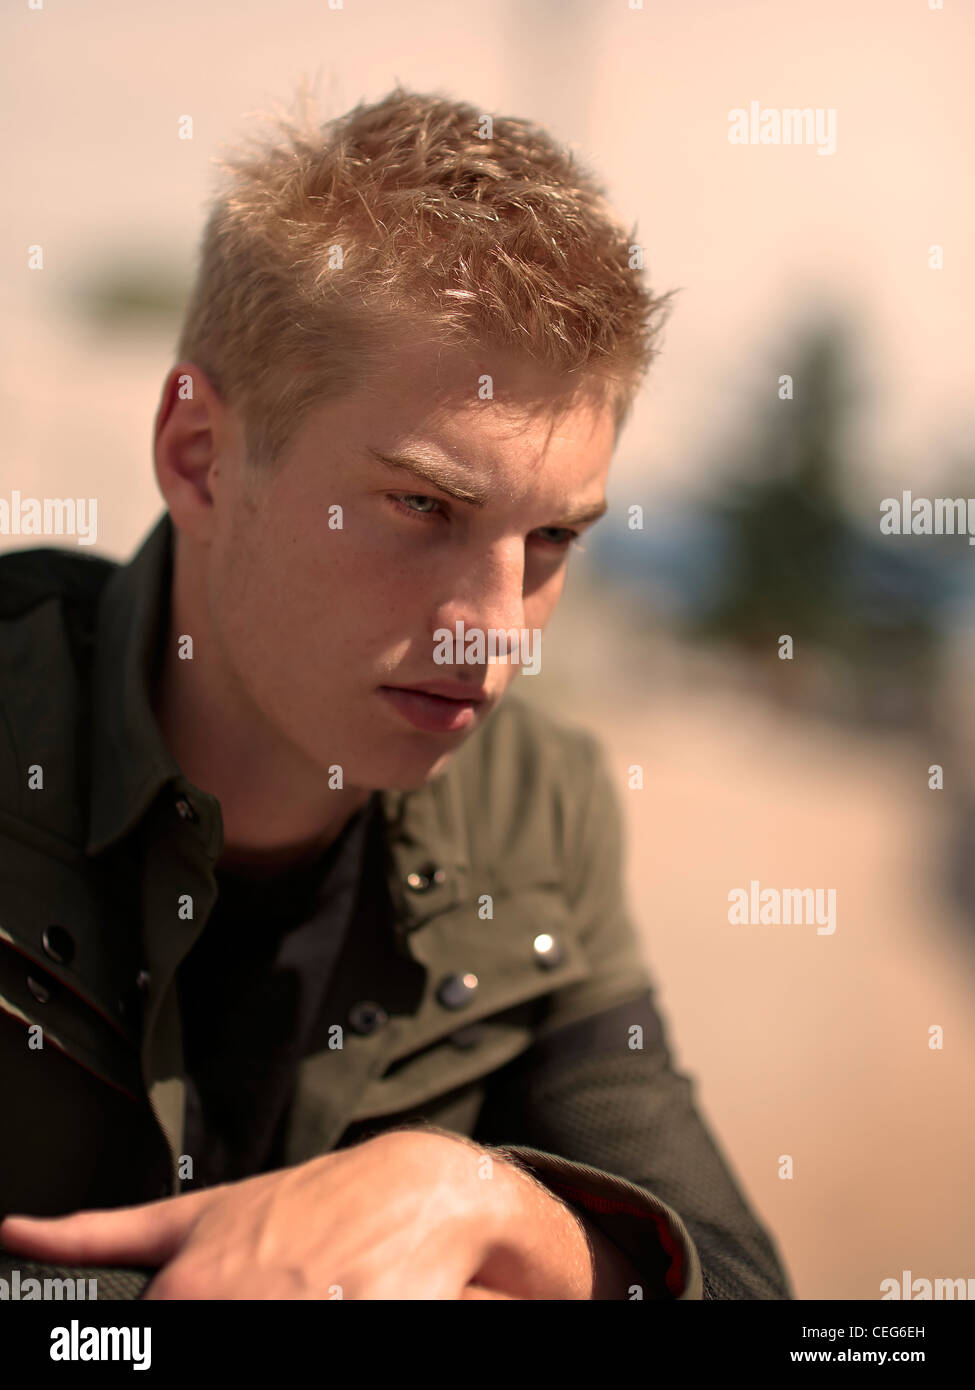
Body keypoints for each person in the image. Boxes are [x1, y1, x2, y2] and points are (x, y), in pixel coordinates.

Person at [0, 85, 792, 1300]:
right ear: (200, 458)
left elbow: (755, 1291)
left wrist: (487, 1205)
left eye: (552, 543)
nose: (495, 636)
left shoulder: (541, 803)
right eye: (425, 507)